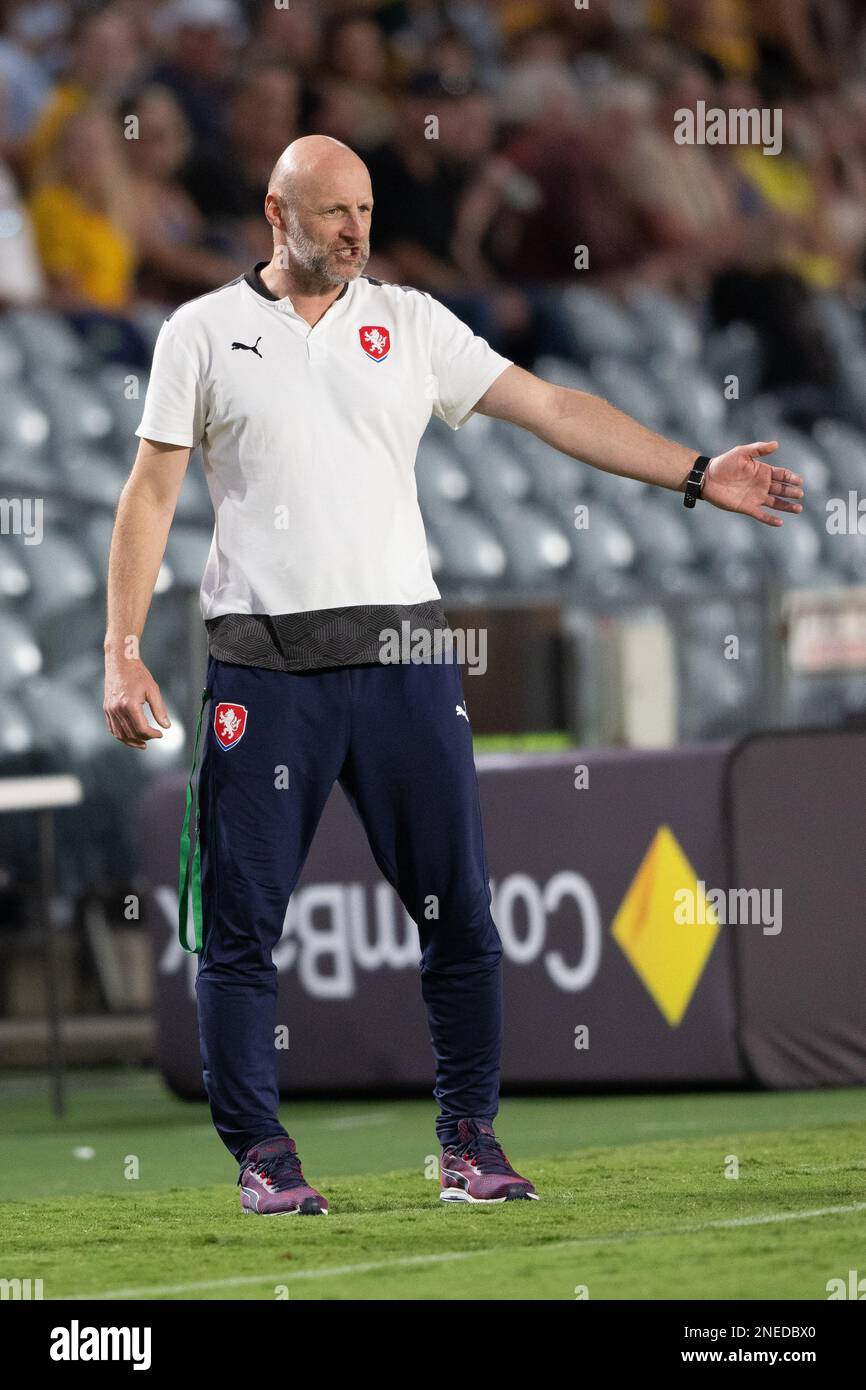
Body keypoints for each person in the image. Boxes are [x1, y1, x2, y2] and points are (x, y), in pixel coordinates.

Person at [103, 134, 804, 1216]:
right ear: (275, 214)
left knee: (462, 919)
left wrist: (696, 470)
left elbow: (554, 407)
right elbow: (150, 495)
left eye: (366, 210)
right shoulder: (201, 334)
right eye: (332, 212)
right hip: (265, 666)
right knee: (241, 931)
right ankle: (263, 1154)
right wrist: (120, 644)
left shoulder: (412, 323)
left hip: (405, 659)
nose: (355, 230)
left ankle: (468, 1144)